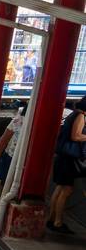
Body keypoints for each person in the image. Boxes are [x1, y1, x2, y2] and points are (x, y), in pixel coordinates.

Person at [48, 96, 86, 235]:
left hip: (64, 157)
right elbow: (75, 136)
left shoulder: (74, 114)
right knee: (66, 190)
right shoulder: (81, 116)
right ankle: (58, 222)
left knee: (60, 188)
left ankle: (52, 219)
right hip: (69, 158)